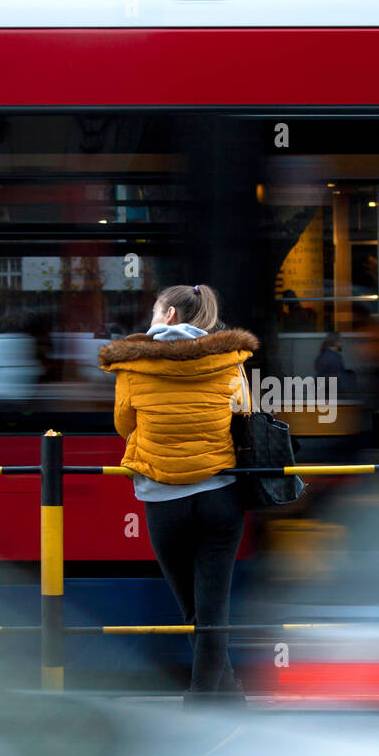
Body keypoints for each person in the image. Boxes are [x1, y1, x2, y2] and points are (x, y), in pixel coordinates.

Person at [98, 284, 259, 705]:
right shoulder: (229, 359)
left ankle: (203, 700)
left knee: (191, 608)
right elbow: (244, 417)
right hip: (219, 496)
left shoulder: (133, 365)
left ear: (169, 314)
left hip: (163, 499)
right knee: (212, 609)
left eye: (154, 311)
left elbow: (123, 425)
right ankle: (224, 695)